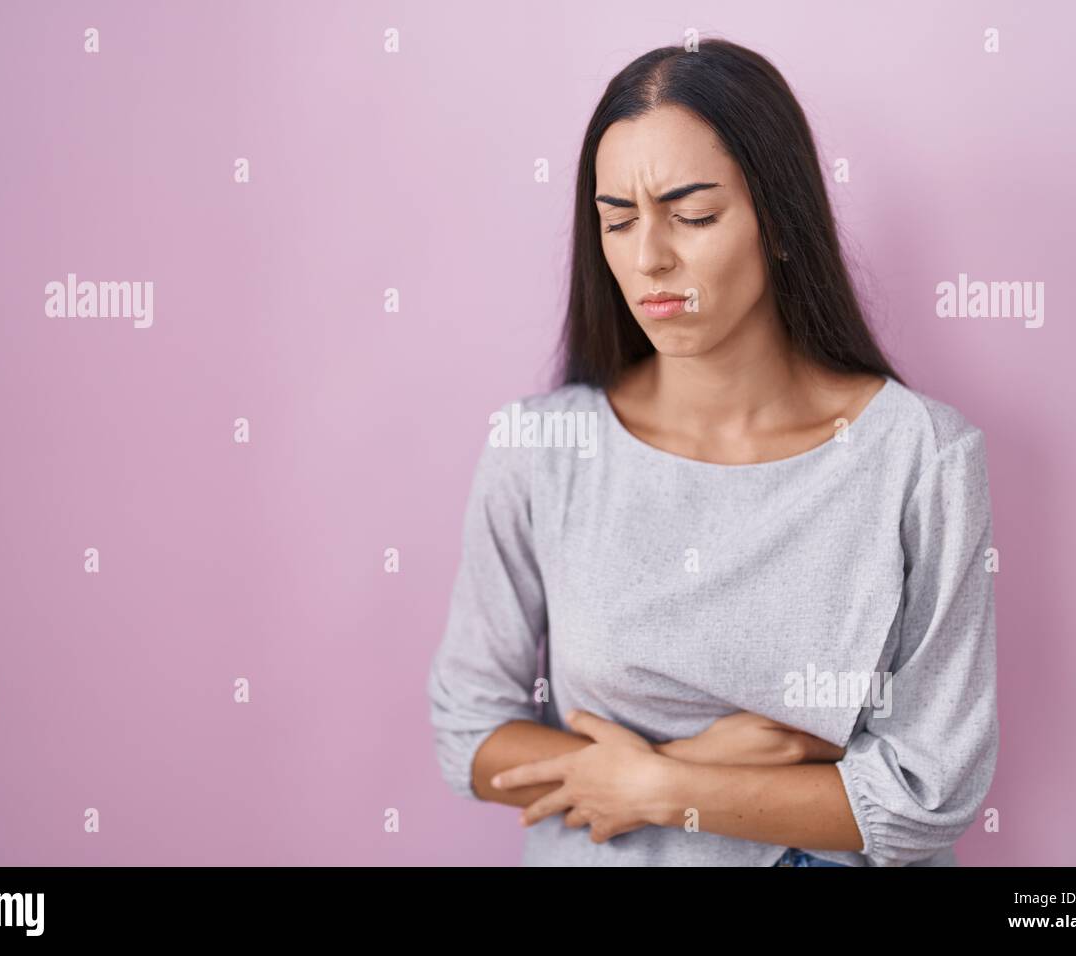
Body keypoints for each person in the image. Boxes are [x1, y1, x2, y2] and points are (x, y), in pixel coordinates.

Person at [427, 37, 997, 867]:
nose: (650, 256)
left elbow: (925, 797)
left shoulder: (924, 459)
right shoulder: (542, 450)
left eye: (692, 215)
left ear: (782, 222)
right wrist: (694, 768)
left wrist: (660, 788)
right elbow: (468, 733)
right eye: (618, 219)